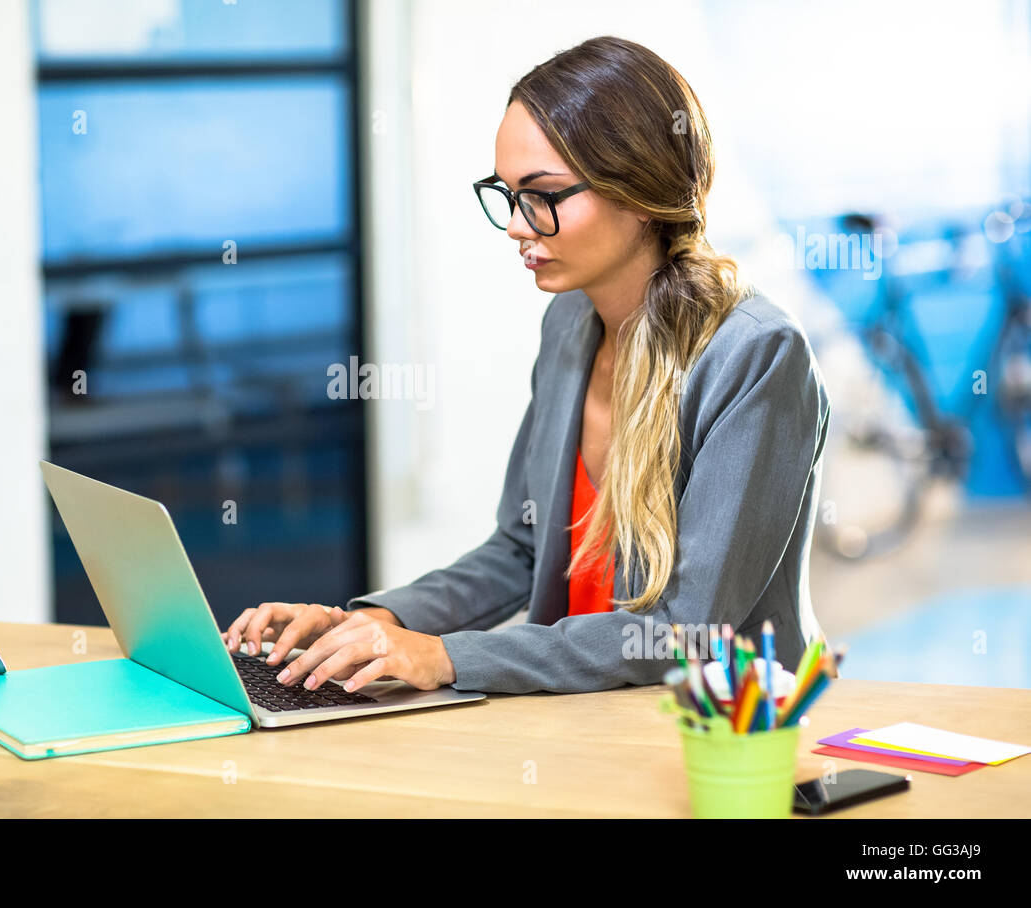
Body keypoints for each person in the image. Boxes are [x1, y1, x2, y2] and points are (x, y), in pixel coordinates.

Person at [223, 35, 829, 695]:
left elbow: (685, 630)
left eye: (541, 195)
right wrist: (369, 625)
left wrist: (447, 657)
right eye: (506, 193)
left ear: (640, 187)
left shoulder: (756, 354)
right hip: (579, 716)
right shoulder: (570, 322)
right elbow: (521, 550)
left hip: (717, 735)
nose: (516, 225)